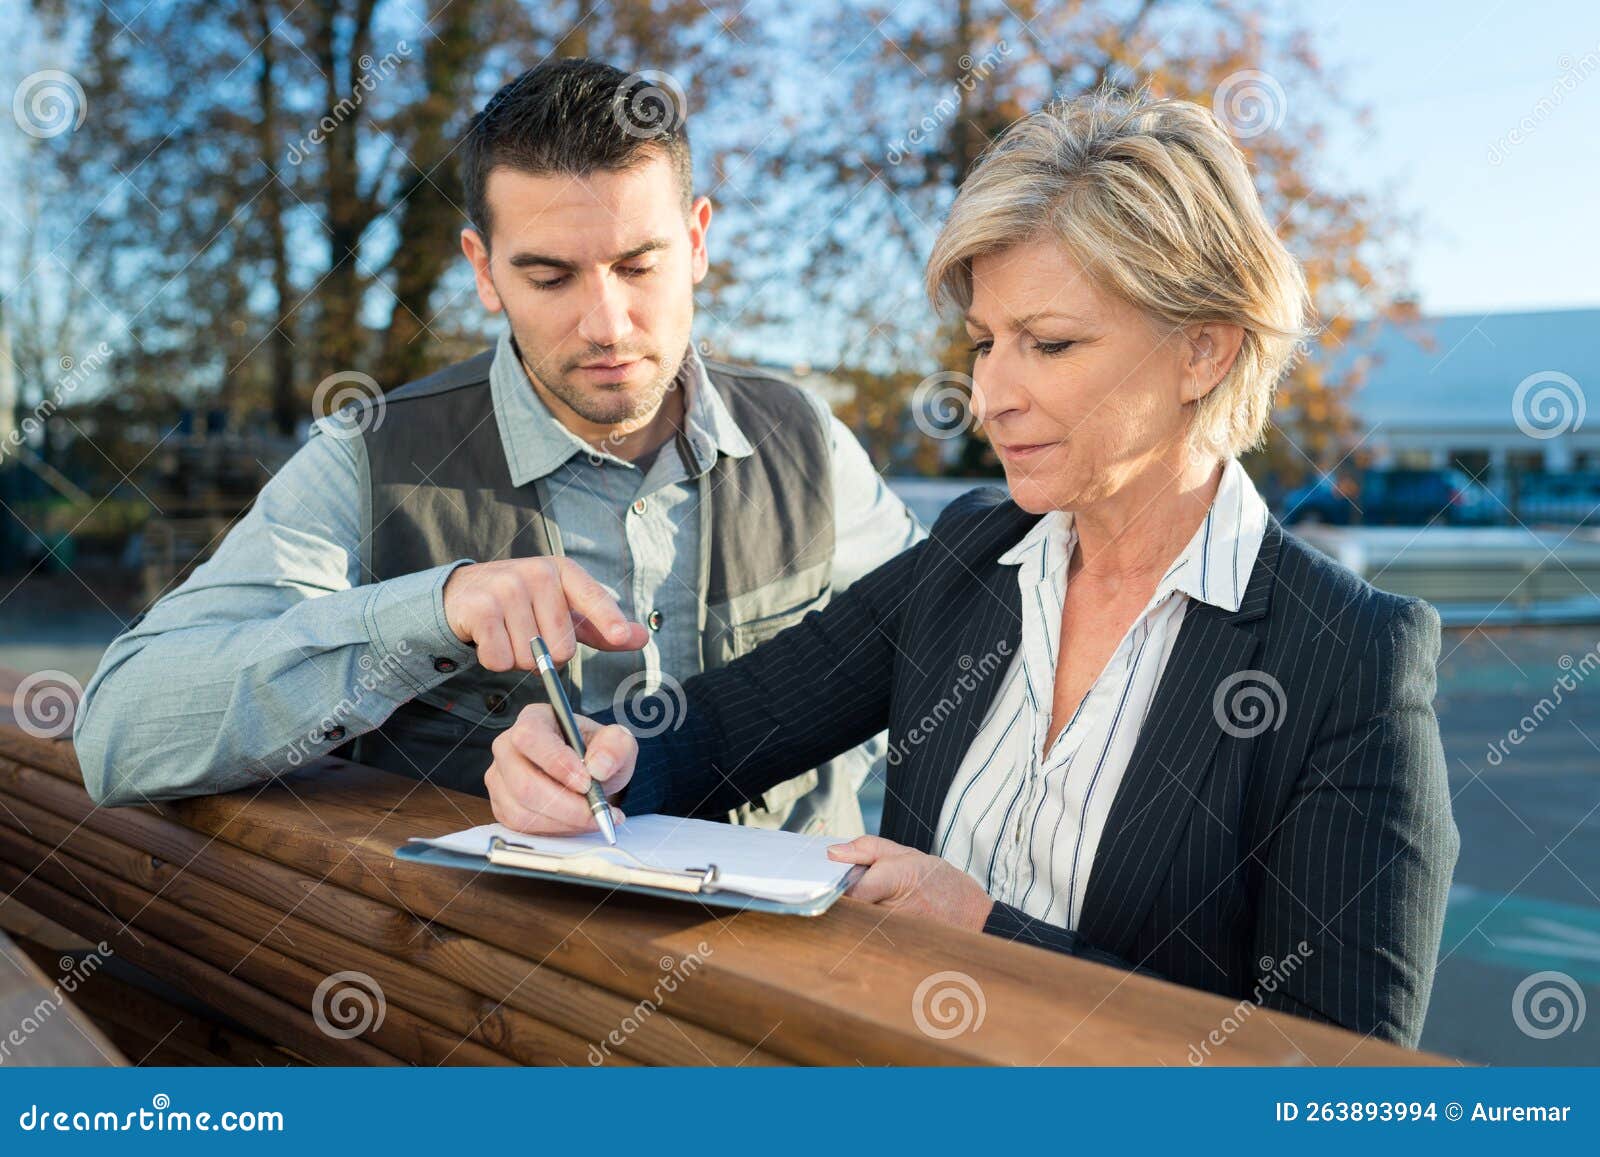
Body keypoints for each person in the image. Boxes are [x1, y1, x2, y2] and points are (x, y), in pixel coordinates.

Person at [480, 90, 1459, 1046]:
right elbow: (730, 727)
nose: (988, 395)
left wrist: (988, 937)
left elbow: (1338, 1072)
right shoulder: (970, 554)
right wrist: (598, 763)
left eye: (1050, 342)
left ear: (1203, 349)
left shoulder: (1347, 659)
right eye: (986, 341)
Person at [73, 58, 922, 838]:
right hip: (493, 985)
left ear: (697, 241)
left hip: (800, 981)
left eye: (638, 266)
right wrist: (427, 614)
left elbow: (940, 652)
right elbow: (120, 732)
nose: (607, 324)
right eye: (549, 277)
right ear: (484, 271)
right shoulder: (373, 457)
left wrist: (836, 788)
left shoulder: (806, 438)